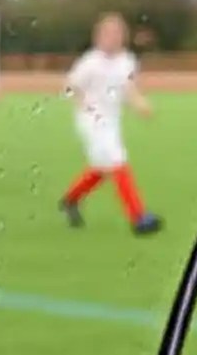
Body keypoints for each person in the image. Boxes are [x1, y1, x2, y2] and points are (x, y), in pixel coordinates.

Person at [58, 12, 162, 236]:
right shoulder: (90, 62)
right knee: (117, 160)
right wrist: (83, 103)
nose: (112, 38)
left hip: (112, 120)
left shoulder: (127, 61)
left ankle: (70, 199)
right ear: (98, 36)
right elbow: (70, 85)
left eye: (117, 33)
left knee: (102, 167)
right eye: (108, 33)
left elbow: (129, 89)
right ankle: (138, 216)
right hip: (91, 120)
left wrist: (140, 104)